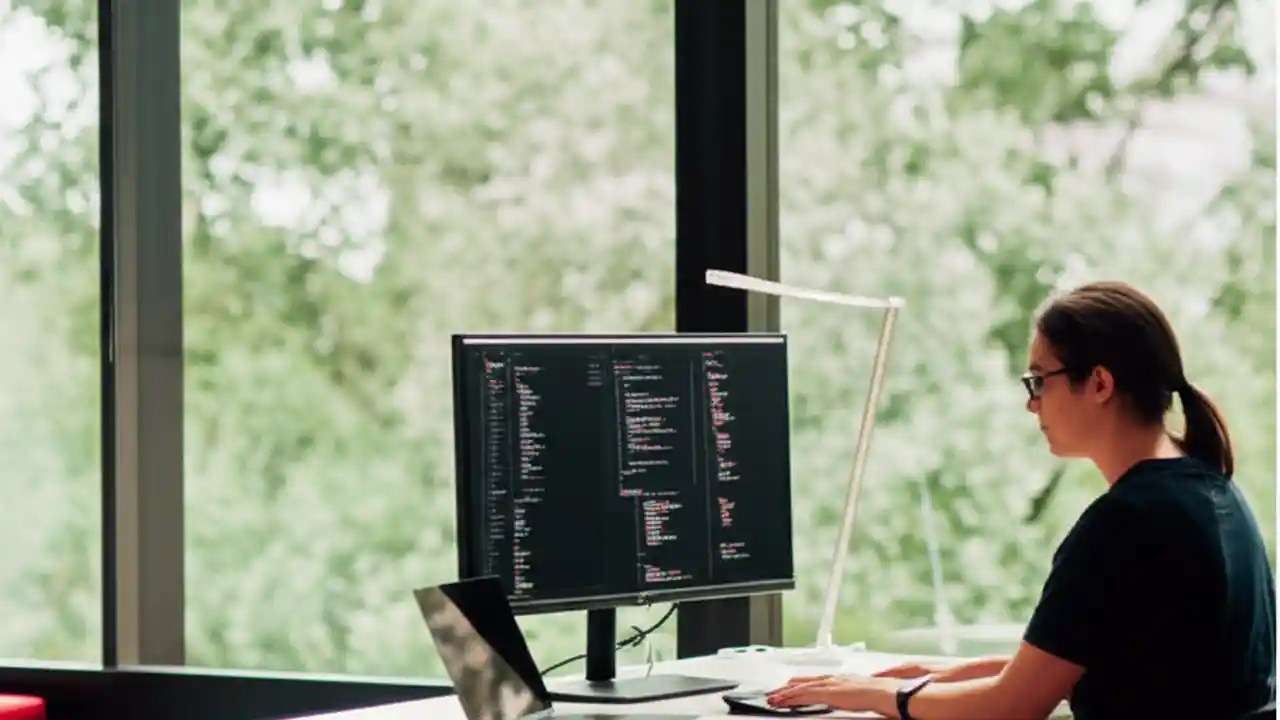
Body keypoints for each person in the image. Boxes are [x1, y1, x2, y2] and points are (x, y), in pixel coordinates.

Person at [767, 281, 1276, 719]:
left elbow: (1013, 705)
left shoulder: (1126, 522)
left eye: (1039, 380)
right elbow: (1090, 660)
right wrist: (941, 674)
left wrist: (881, 695)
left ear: (1098, 383)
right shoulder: (1217, 494)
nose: (1031, 403)